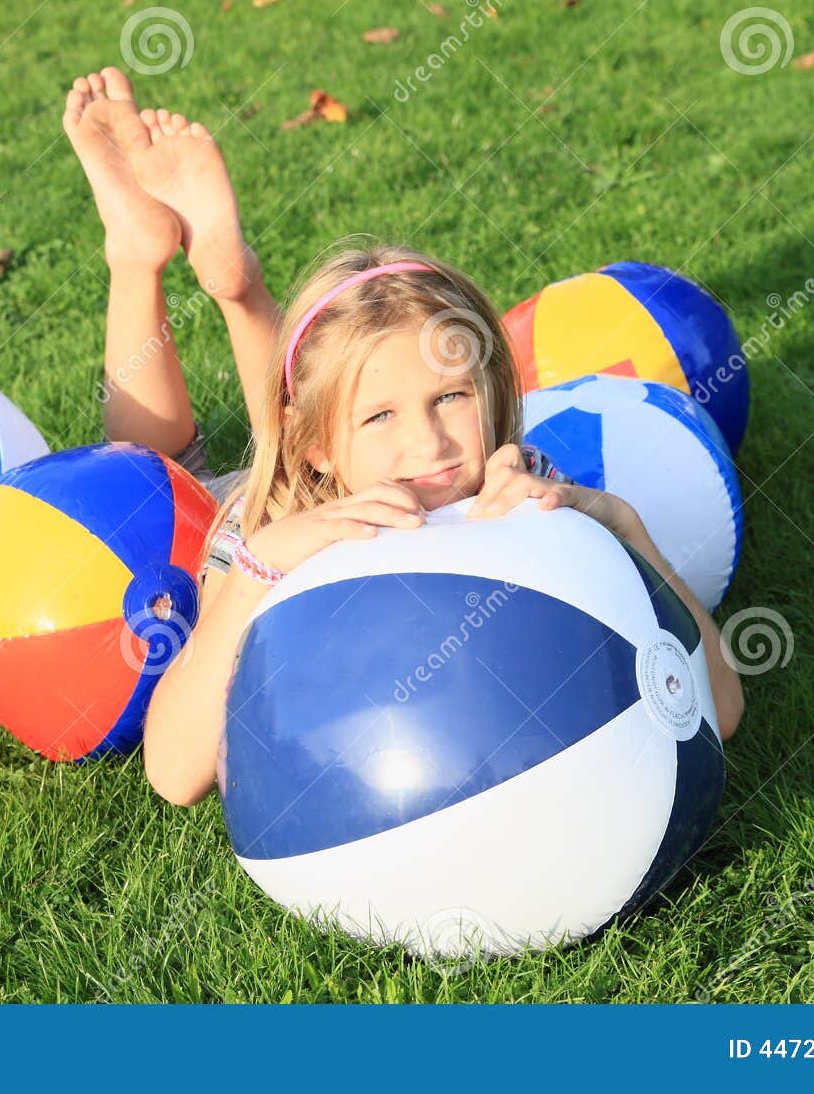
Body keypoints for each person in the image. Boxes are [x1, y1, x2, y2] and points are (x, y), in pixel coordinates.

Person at [63, 67, 744, 808]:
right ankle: (141, 256)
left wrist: (622, 523)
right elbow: (173, 773)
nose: (432, 445)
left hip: (314, 452)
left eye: (450, 397)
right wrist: (261, 565)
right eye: (384, 416)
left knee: (310, 419)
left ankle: (237, 288)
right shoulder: (261, 530)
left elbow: (724, 709)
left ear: (492, 393)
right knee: (156, 493)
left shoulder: (520, 492)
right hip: (260, 508)